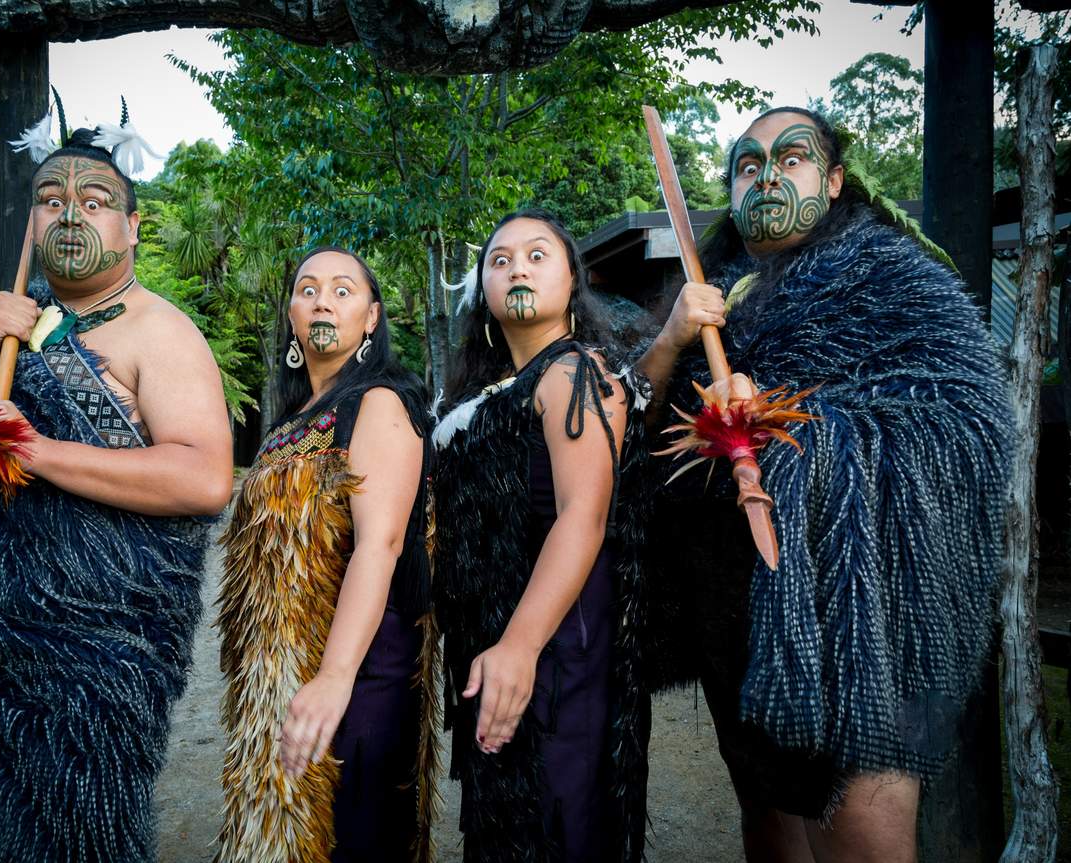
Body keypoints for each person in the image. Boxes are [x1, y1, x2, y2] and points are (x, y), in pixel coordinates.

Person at [646, 106, 1013, 863]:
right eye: (748, 165)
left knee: (862, 844)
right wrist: (682, 361)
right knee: (768, 829)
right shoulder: (708, 297)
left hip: (862, 621)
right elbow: (640, 448)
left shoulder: (892, 276)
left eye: (791, 158)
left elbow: (966, 428)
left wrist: (783, 422)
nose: (768, 175)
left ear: (835, 178)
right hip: (737, 616)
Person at [0, 126, 234, 862]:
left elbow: (202, 478)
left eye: (95, 201)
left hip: (80, 674)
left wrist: (36, 450)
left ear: (131, 227)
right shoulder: (12, 318)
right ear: (32, 224)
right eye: (49, 200)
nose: (69, 214)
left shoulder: (160, 333)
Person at [430, 208, 719, 862]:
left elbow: (582, 514)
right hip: (496, 639)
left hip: (559, 648)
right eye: (498, 260)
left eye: (536, 255)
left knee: (558, 825)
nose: (516, 268)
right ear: (482, 291)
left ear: (570, 280)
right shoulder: (485, 394)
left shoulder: (575, 373)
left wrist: (519, 646)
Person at [216, 247, 439, 863]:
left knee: (350, 838)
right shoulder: (292, 419)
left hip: (357, 669)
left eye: (343, 291)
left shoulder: (380, 402)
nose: (322, 300)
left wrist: (336, 678)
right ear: (291, 316)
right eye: (308, 289)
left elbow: (383, 542)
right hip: (278, 672)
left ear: (371, 319)